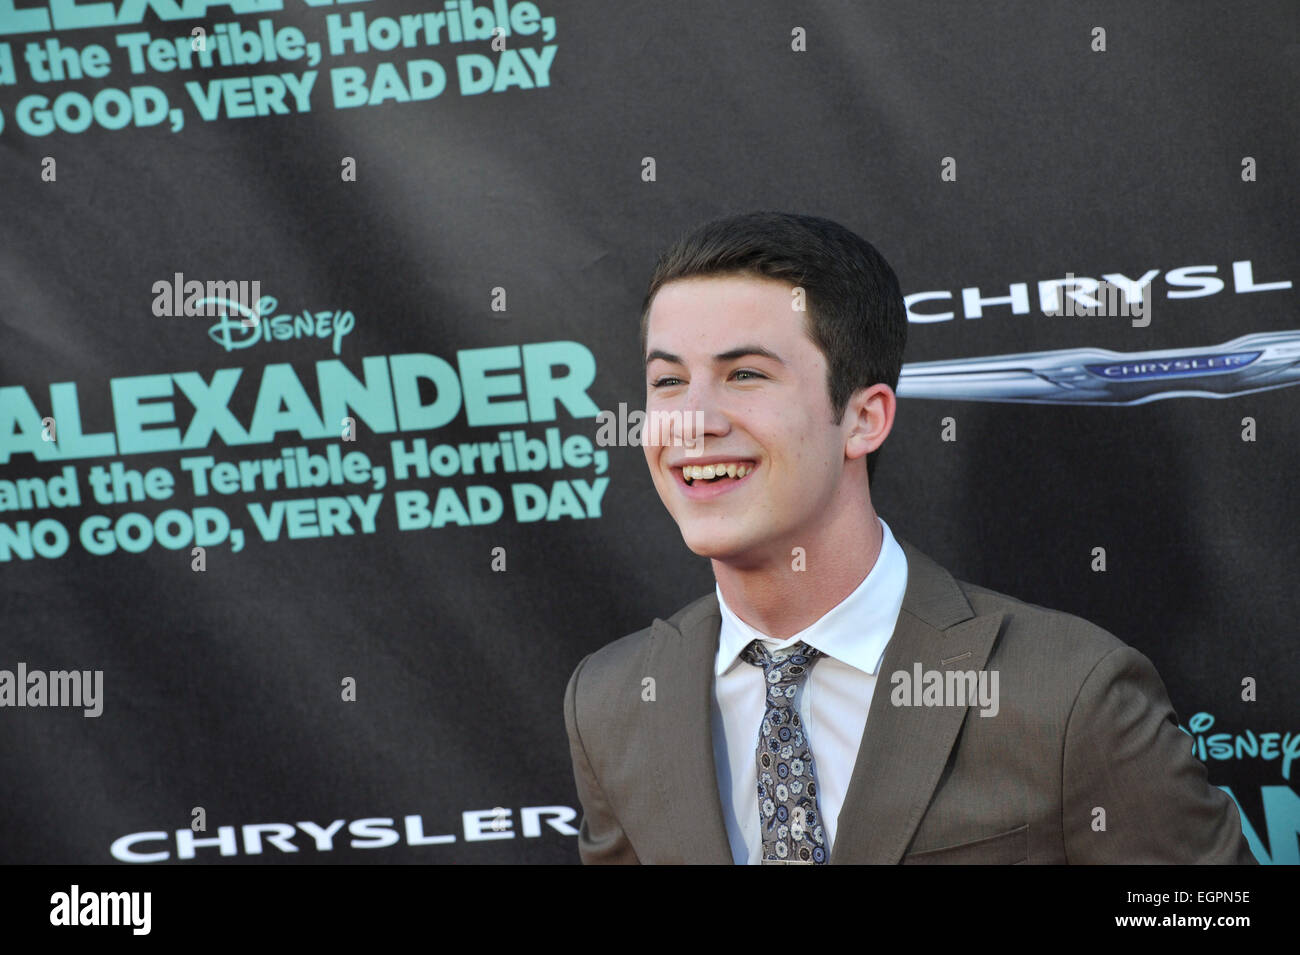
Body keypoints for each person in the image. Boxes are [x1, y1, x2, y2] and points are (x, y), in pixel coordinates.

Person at [562, 210, 1256, 864]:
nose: (692, 420)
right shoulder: (613, 702)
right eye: (669, 381)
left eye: (745, 374)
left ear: (864, 418)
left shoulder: (1068, 693)